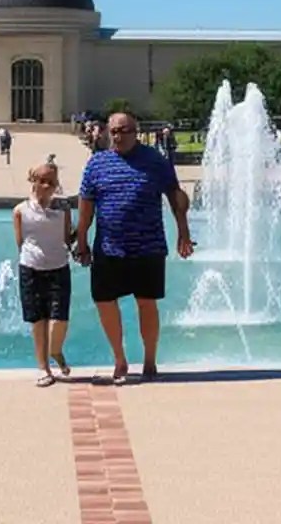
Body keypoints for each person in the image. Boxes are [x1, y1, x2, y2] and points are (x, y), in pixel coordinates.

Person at [75, 112, 195, 384]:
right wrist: (81, 240)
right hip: (109, 246)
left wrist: (183, 233)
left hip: (147, 245)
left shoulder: (154, 160)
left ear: (135, 132)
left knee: (146, 303)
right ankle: (119, 358)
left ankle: (150, 360)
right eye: (113, 131)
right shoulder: (97, 163)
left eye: (124, 131)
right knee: (104, 302)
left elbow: (175, 196)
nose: (118, 136)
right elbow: (86, 205)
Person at [13, 159, 74, 387]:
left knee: (59, 320)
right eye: (43, 181)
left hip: (59, 268)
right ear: (33, 182)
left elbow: (67, 238)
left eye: (52, 182)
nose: (47, 186)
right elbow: (20, 242)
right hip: (31, 269)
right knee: (38, 321)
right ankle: (43, 367)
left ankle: (56, 351)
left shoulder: (63, 209)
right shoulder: (20, 210)